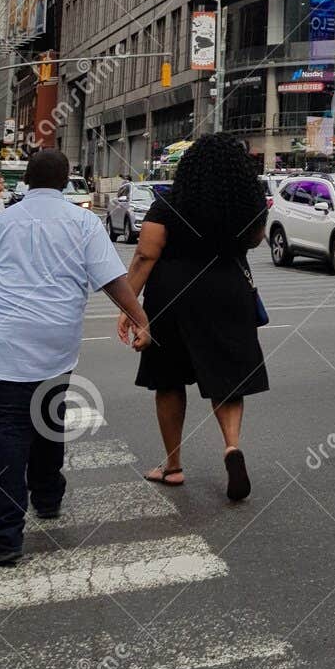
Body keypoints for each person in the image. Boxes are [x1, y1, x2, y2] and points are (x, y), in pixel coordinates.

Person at [0, 148, 150, 564]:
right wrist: (140, 319)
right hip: (57, 343)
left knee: (9, 434)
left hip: (8, 343)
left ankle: (5, 537)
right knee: (49, 418)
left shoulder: (1, 222)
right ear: (66, 182)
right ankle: (47, 496)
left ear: (27, 181)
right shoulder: (83, 222)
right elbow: (112, 280)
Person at [121, 135, 268, 501]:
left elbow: (145, 255)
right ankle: (231, 446)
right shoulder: (247, 204)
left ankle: (173, 466)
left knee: (168, 379)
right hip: (228, 292)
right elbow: (255, 240)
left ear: (190, 166)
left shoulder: (169, 204)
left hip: (172, 296)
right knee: (227, 379)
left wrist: (129, 306)